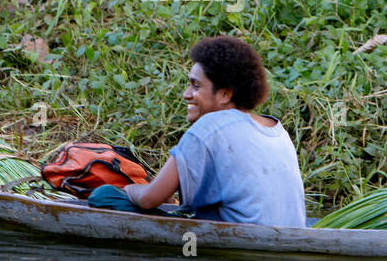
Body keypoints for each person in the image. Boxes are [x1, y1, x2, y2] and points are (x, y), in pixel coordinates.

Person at [92, 35, 307, 227]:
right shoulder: (276, 129)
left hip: (243, 239)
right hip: (285, 233)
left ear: (224, 94)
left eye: (196, 86)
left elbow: (149, 198)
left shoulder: (210, 126)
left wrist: (130, 190)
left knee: (103, 195)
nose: (186, 94)